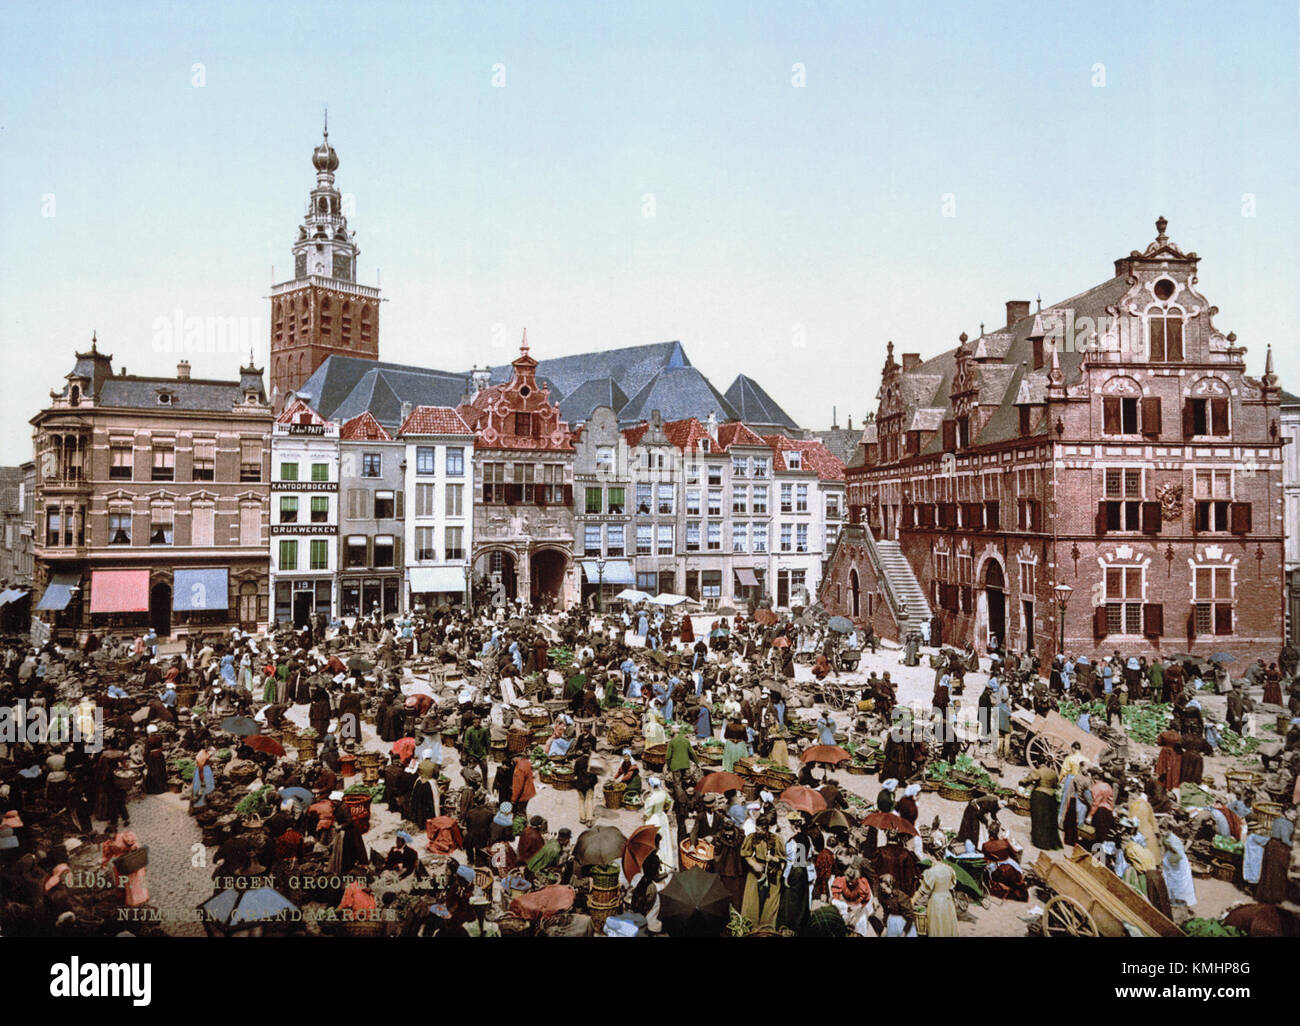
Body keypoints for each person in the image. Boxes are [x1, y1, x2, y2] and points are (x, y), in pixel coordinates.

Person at [1021, 766, 1061, 850]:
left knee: (1038, 818)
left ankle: (1039, 842)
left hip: (1039, 795)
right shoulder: (1053, 773)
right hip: (1051, 796)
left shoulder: (1038, 771)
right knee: (1049, 819)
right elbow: (1056, 784)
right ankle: (1051, 842)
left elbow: (1027, 780)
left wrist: (1022, 782)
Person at [916, 859, 958, 937]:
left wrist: (912, 900)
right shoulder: (949, 869)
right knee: (948, 923)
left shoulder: (932, 872)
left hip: (936, 900)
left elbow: (922, 890)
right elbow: (952, 884)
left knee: (937, 925)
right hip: (948, 898)